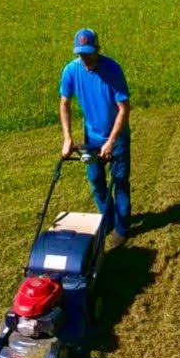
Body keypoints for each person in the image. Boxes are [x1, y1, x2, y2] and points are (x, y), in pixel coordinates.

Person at [59, 28, 132, 246]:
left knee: (119, 182)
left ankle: (122, 227)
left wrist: (111, 141)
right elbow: (64, 103)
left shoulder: (112, 70)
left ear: (98, 49)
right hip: (90, 137)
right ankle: (107, 218)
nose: (85, 58)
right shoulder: (71, 71)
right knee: (95, 180)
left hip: (116, 137)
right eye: (81, 54)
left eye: (89, 53)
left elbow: (124, 108)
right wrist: (67, 138)